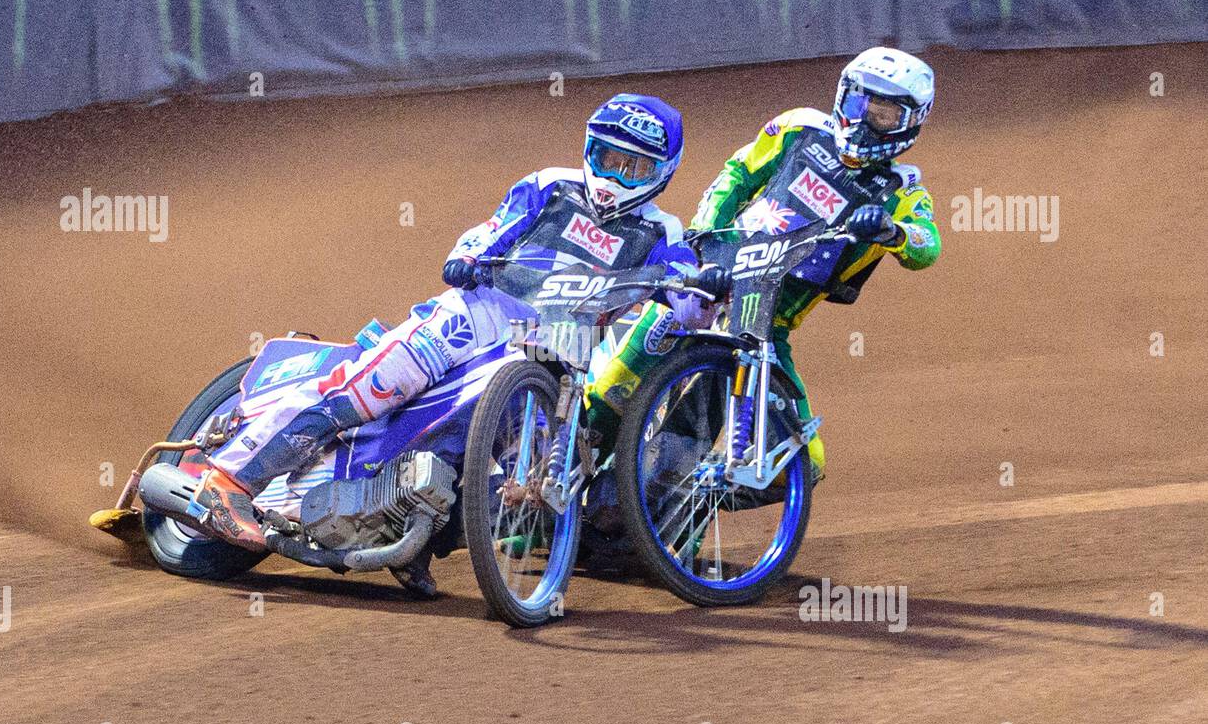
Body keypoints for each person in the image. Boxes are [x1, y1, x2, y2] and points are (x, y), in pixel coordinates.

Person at [191, 93, 730, 552]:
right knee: (369, 389)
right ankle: (228, 478)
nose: (614, 176)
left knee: (528, 483)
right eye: (606, 157)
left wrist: (706, 288)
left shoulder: (663, 233)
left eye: (632, 167)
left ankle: (407, 540)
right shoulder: (550, 186)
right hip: (476, 317)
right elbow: (491, 230)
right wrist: (466, 257)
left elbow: (686, 300)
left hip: (556, 368)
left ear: (662, 173)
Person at [589, 47, 942, 482]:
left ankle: (672, 518)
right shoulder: (799, 127)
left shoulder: (902, 190)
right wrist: (703, 236)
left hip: (767, 326)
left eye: (883, 114)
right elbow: (737, 174)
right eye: (859, 102)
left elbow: (928, 246)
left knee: (802, 464)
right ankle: (550, 508)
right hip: (708, 282)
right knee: (609, 393)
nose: (866, 119)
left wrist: (893, 231)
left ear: (909, 122)